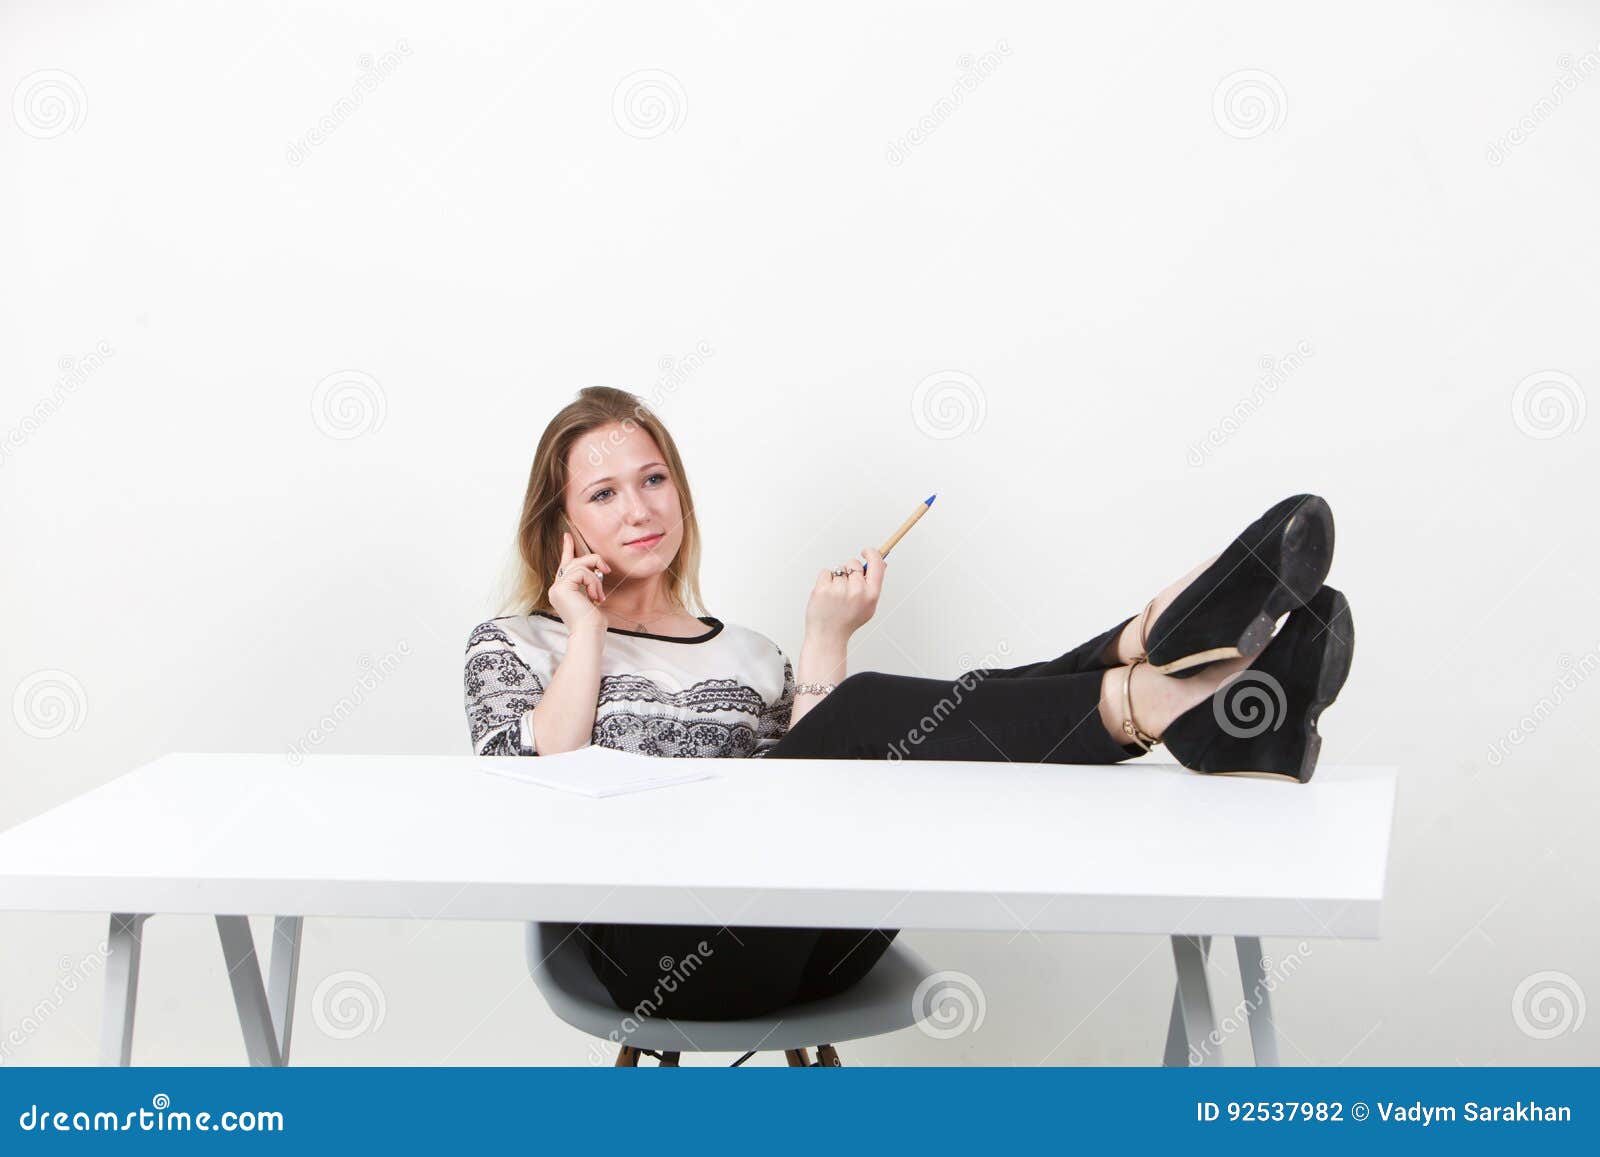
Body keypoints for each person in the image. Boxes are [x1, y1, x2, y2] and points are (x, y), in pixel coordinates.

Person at [463, 386, 1355, 1023]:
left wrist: (824, 640)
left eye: (654, 479)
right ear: (563, 524)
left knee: (911, 728)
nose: (639, 508)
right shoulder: (518, 643)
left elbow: (816, 791)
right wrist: (584, 626)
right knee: (871, 717)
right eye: (604, 493)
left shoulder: (750, 653)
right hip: (663, 957)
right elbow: (534, 786)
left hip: (813, 935)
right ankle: (1167, 672)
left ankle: (1161, 664)